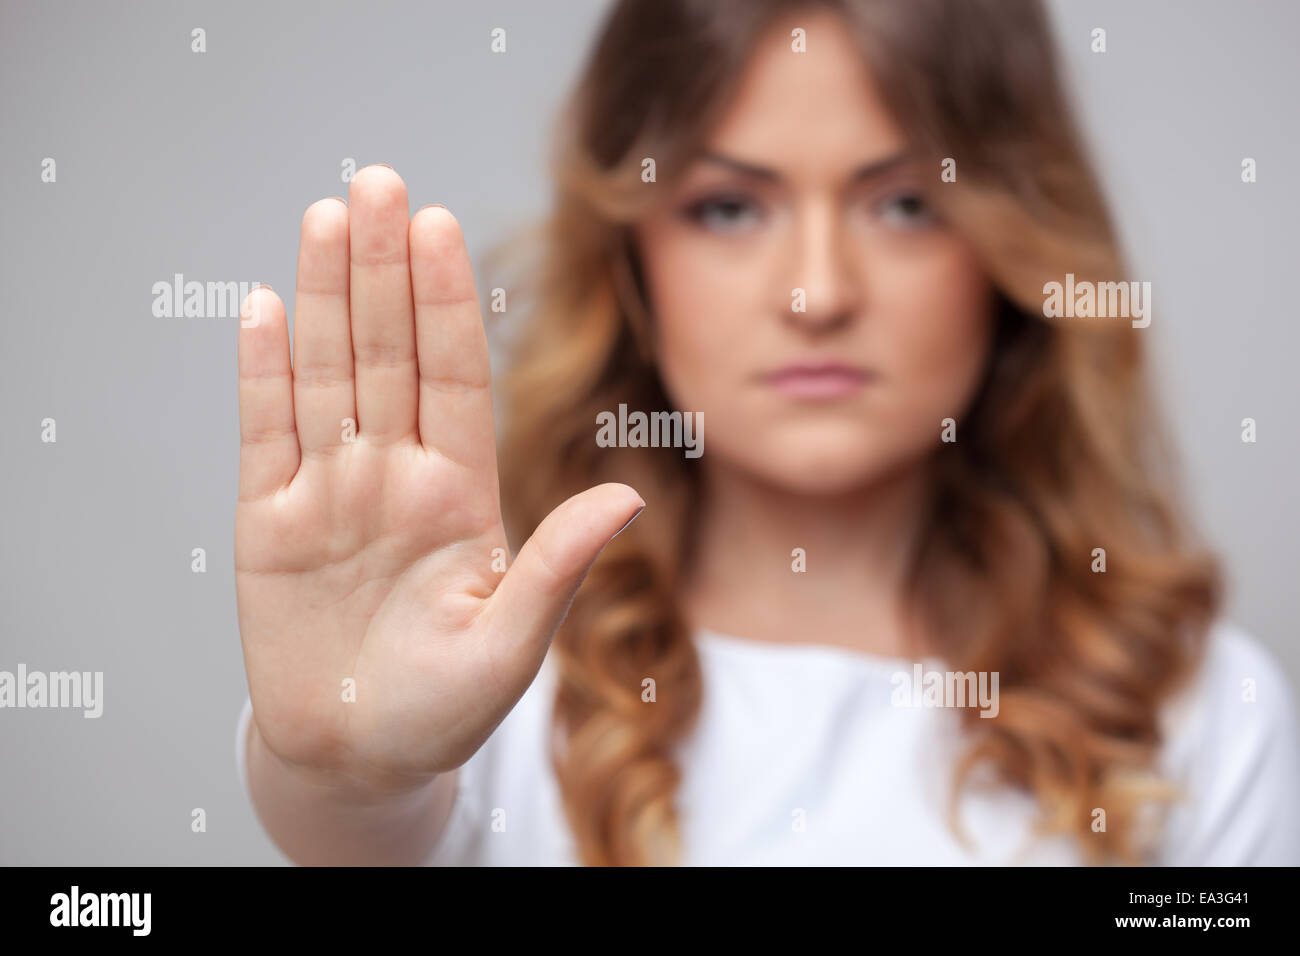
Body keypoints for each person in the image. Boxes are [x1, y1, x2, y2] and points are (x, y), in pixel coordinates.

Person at [232, 0, 1300, 865]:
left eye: (905, 205)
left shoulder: (1201, 714)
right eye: (731, 208)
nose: (817, 293)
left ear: (1009, 245)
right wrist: (346, 776)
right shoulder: (483, 679)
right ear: (631, 259)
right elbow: (367, 820)